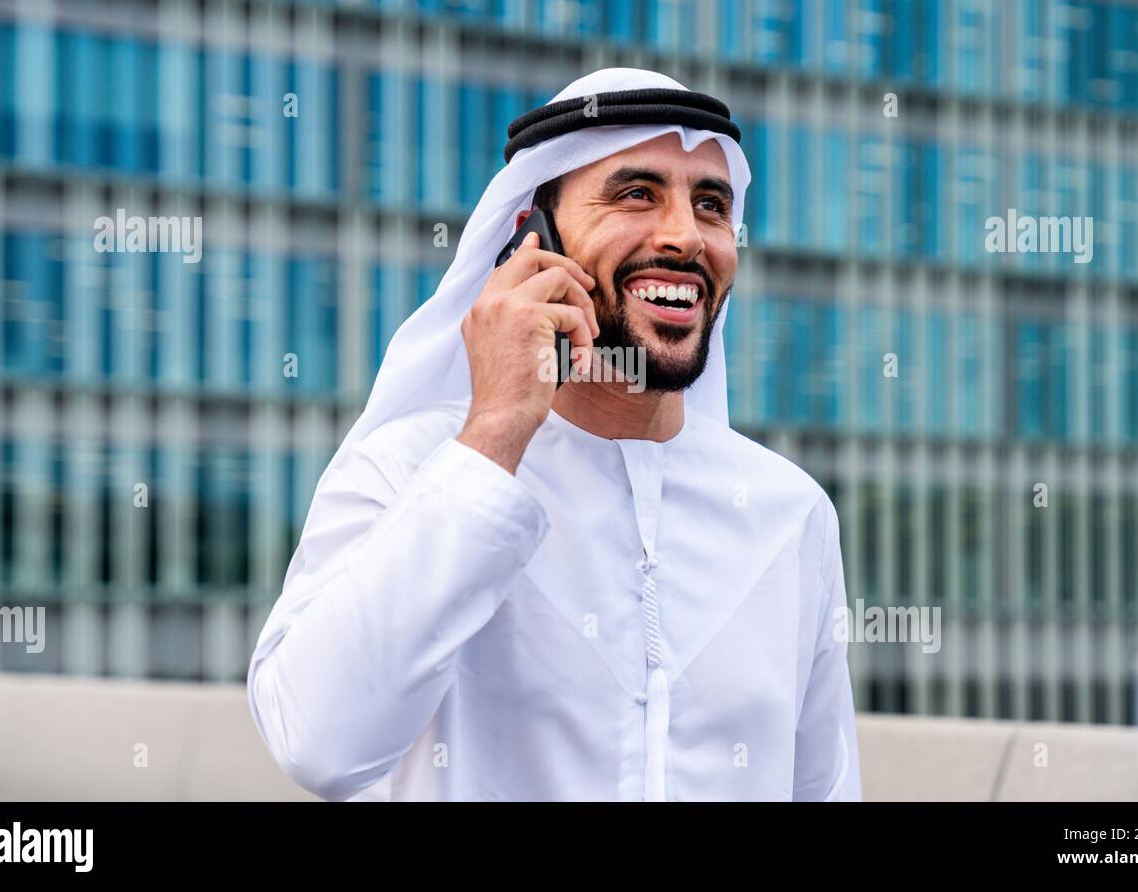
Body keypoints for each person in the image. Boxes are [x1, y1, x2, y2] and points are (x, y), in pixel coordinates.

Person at [246, 66, 862, 801]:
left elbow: (824, 789)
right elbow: (321, 745)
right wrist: (497, 432)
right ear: (531, 238)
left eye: (710, 205)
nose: (685, 237)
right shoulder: (405, 468)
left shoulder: (790, 514)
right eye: (638, 194)